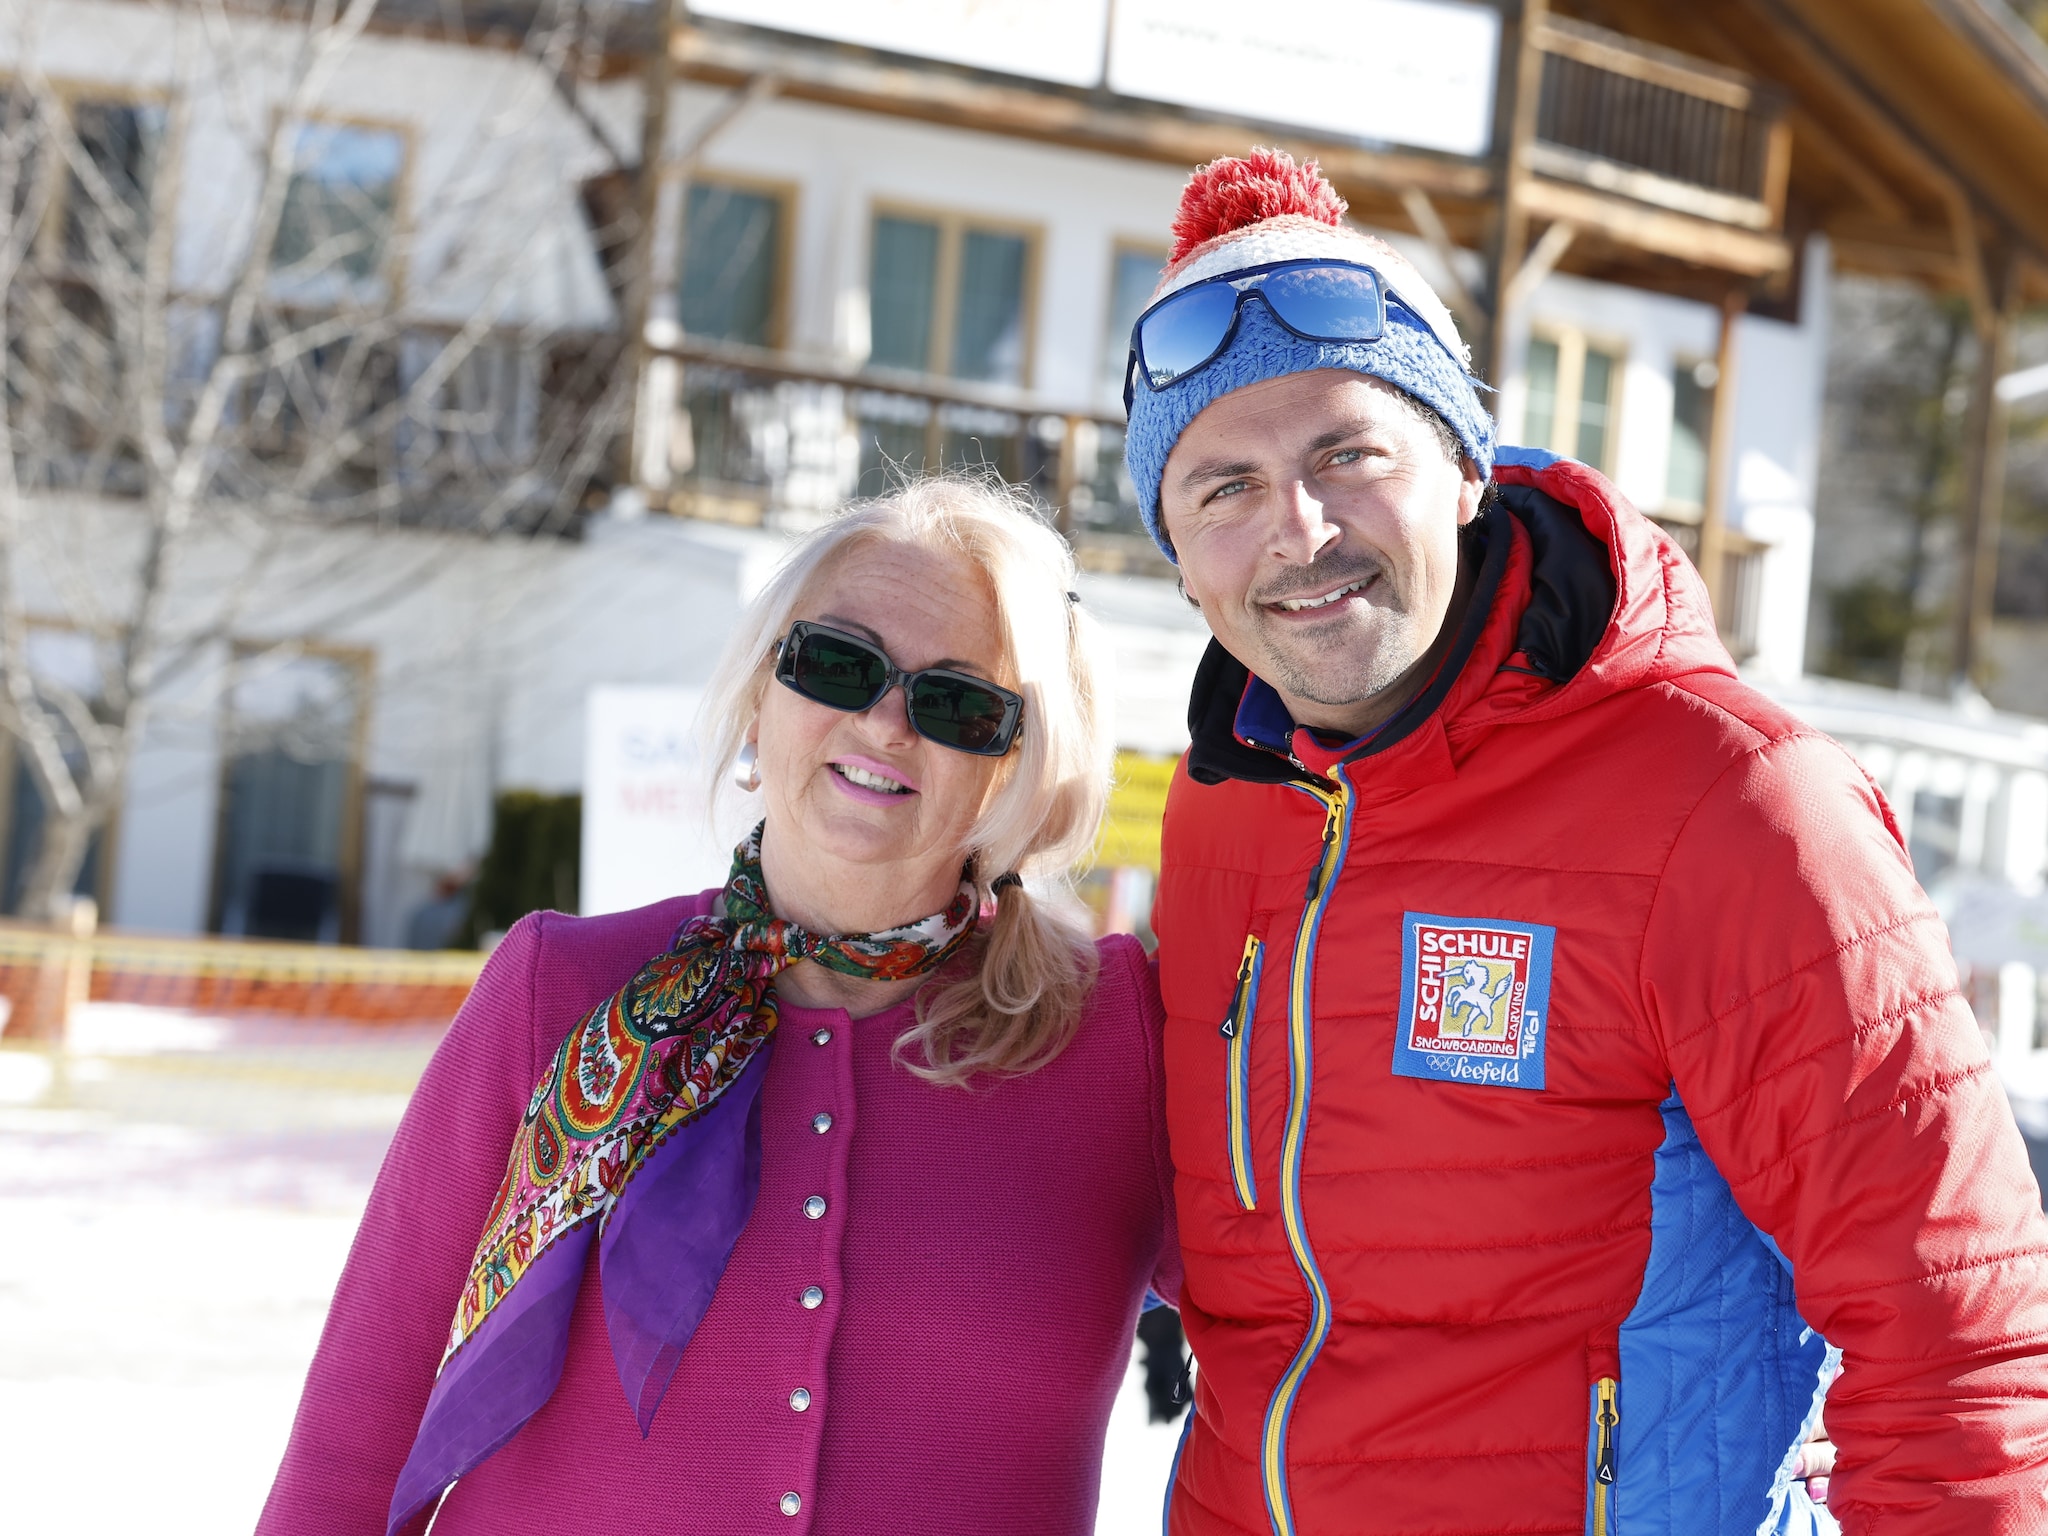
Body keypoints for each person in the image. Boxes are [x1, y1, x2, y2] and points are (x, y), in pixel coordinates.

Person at [1127, 150, 2048, 1535]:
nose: (1299, 533)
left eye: (1348, 455)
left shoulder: (1733, 805)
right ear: (1178, 553)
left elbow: (1959, 1332)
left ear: (1462, 468)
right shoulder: (1227, 805)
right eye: (1224, 489)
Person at [256, 477, 1179, 1536]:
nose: (880, 723)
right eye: (835, 663)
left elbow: (1320, 1332)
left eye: (955, 703)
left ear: (1023, 761)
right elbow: (354, 1436)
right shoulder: (558, 985)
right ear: (758, 695)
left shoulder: (1119, 1037)